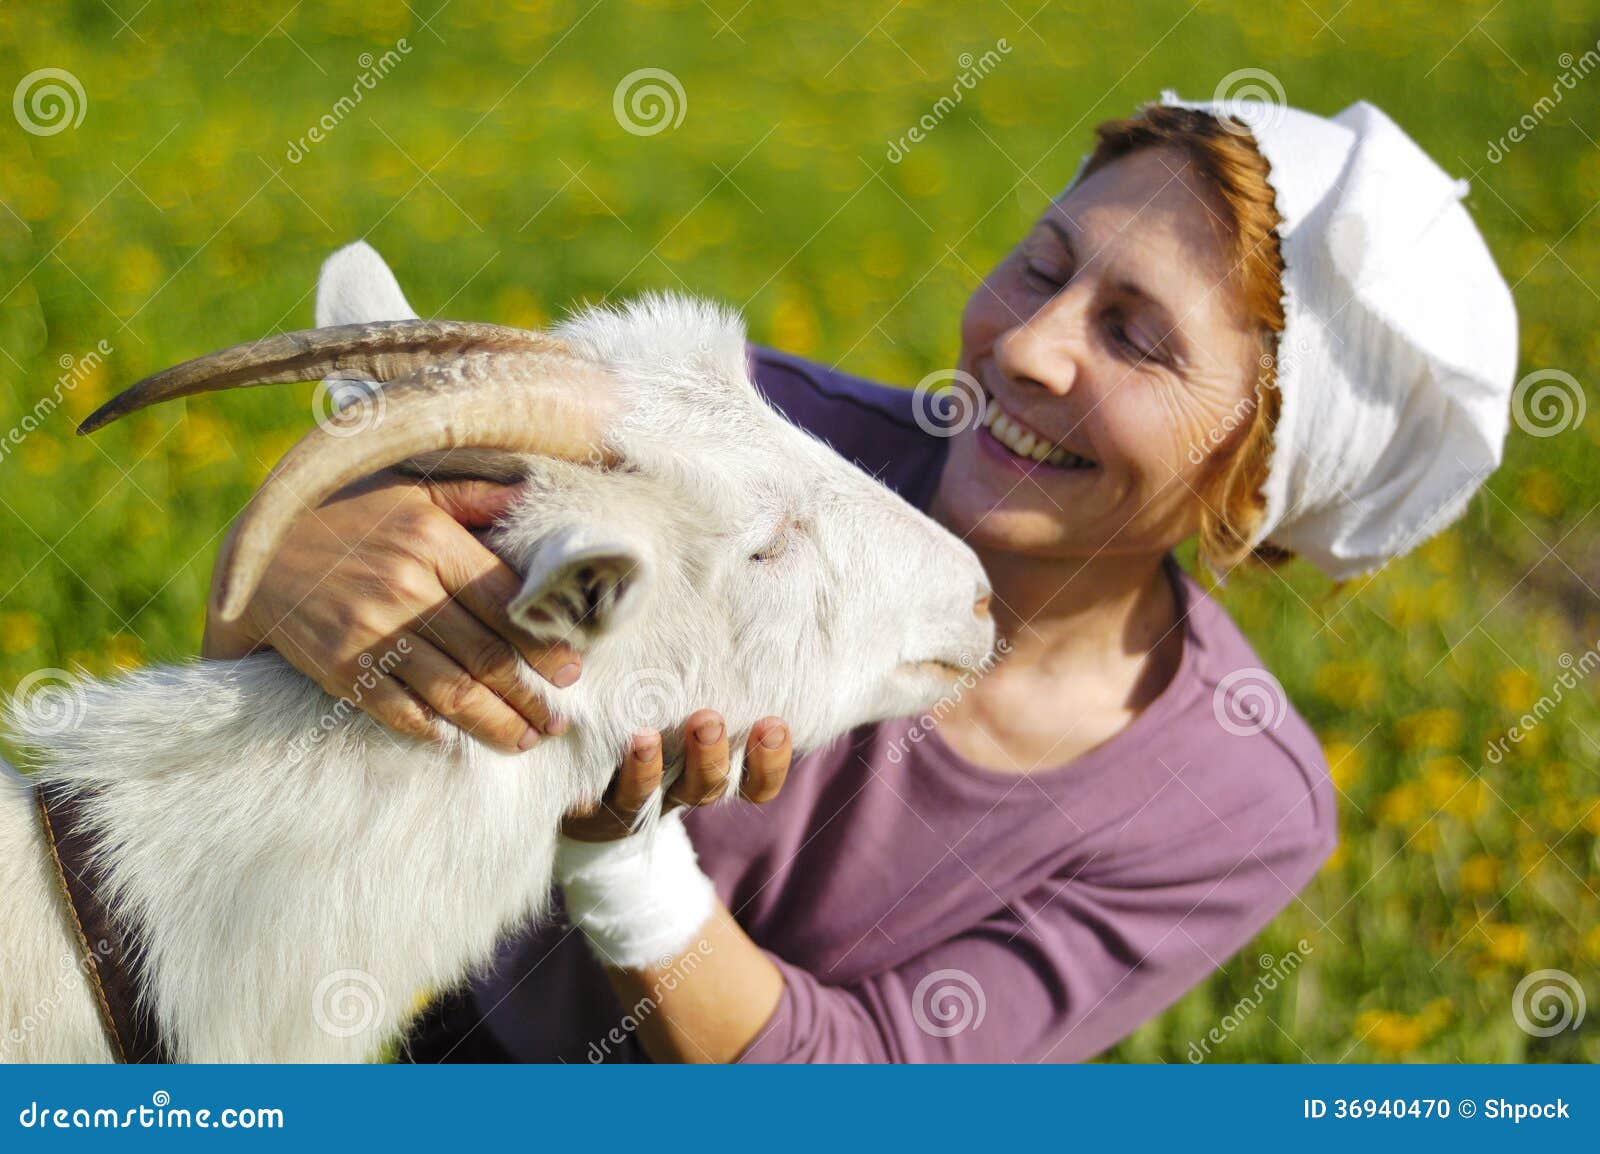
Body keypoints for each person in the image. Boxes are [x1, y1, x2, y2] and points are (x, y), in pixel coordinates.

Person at [203, 94, 1518, 1062]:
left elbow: (871, 1081)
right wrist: (292, 559)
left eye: (1135, 335)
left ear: (1254, 486)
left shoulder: (1229, 801)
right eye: (1047, 267)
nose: (1031, 348)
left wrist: (627, 855)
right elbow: (340, 595)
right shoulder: (744, 438)